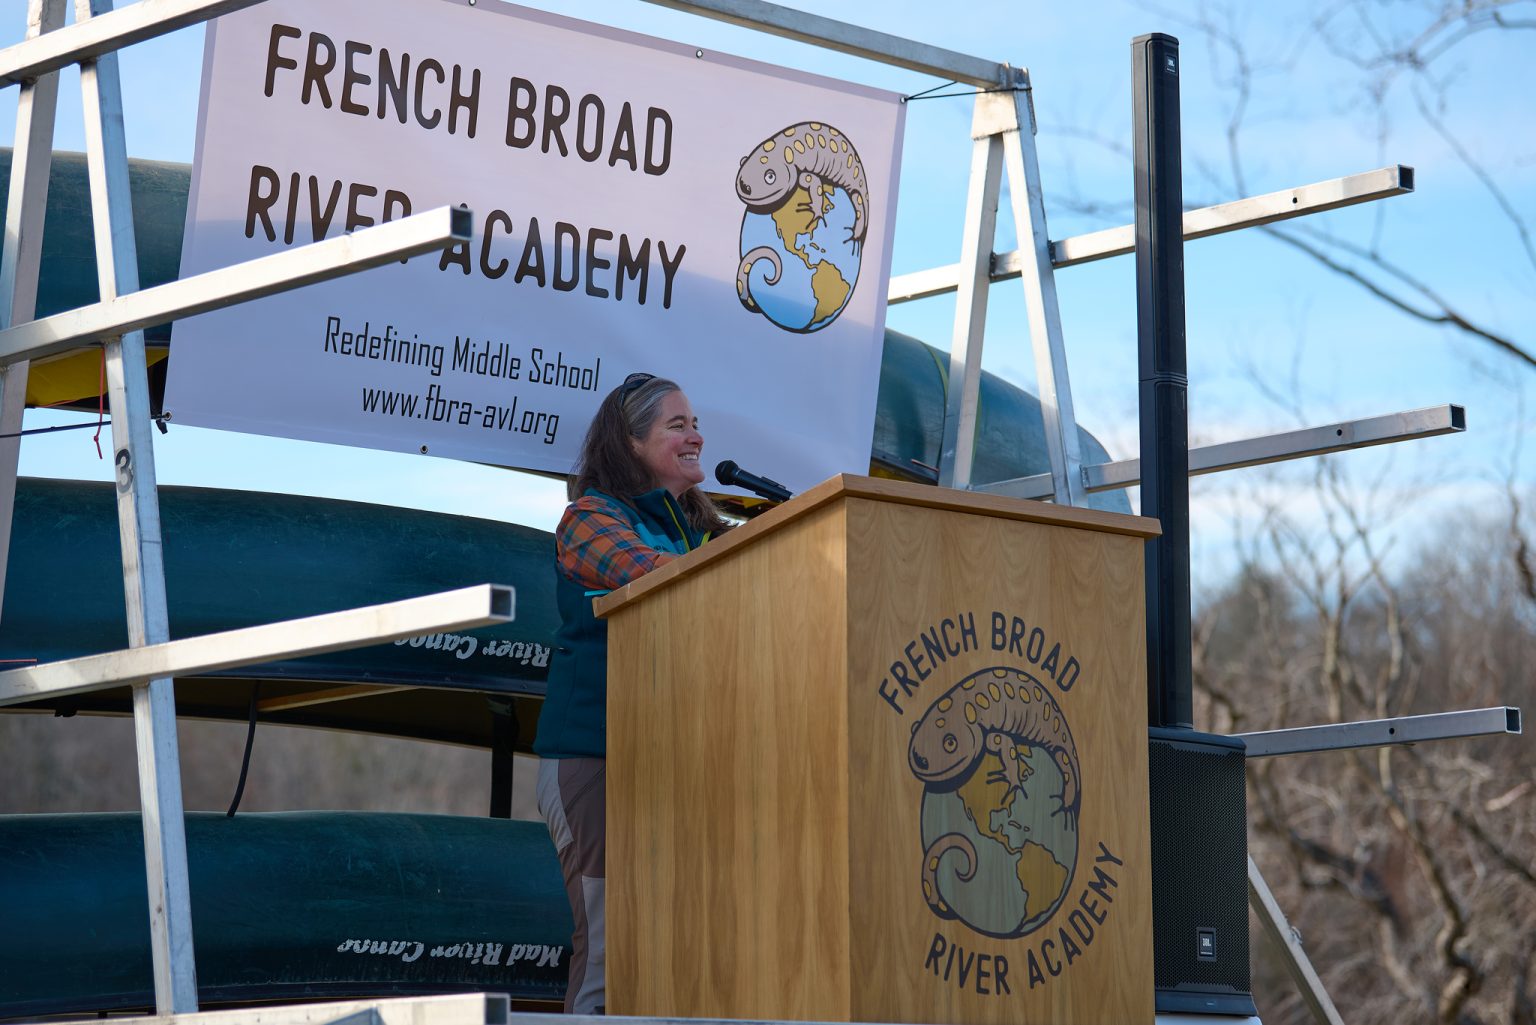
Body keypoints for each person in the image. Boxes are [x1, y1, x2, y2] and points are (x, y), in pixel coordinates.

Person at [533, 372, 731, 1015]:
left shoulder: (699, 529)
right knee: (609, 952)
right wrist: (748, 567)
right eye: (678, 425)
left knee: (678, 945)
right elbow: (655, 576)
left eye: (694, 423)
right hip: (594, 760)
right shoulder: (590, 519)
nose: (696, 435)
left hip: (673, 763)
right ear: (630, 441)